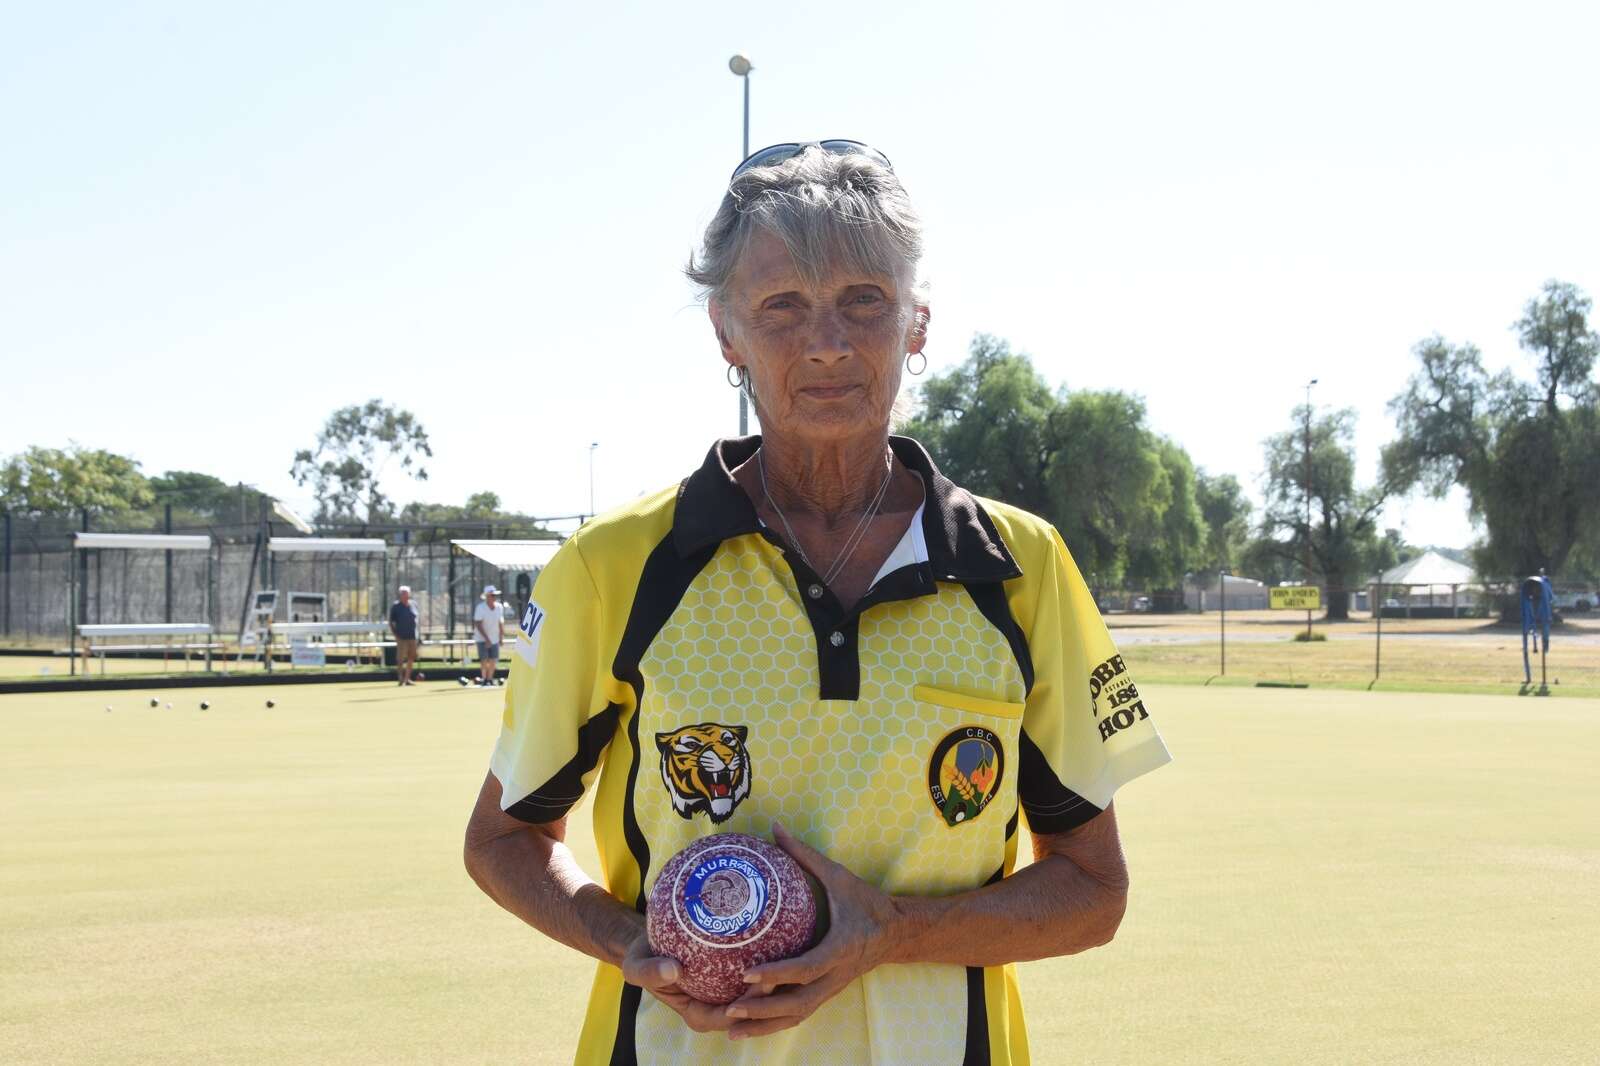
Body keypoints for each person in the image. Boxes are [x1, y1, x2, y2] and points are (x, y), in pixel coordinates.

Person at [463, 141, 1171, 1065]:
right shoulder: (613, 567)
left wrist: (895, 933)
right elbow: (502, 838)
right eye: (782, 306)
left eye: (864, 300)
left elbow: (1093, 891)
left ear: (917, 322)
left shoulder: (1020, 567)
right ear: (727, 333)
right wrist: (627, 941)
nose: (828, 341)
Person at [387, 585, 420, 686]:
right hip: (401, 637)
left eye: (406, 593)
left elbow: (417, 620)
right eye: (402, 593)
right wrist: (395, 635)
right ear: (400, 595)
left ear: (409, 594)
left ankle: (407, 679)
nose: (404, 595)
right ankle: (400, 679)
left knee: (411, 657)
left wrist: (418, 634)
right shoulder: (396, 606)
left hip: (412, 636)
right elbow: (391, 622)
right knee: (400, 659)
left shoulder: (414, 604)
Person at [472, 584, 503, 686]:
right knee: (484, 660)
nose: (494, 597)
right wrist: (486, 639)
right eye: (492, 595)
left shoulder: (499, 607)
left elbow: (500, 622)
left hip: (494, 638)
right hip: (481, 638)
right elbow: (478, 624)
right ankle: (484, 679)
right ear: (486, 596)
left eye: (495, 595)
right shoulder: (480, 608)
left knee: (494, 659)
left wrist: (501, 637)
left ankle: (490, 679)